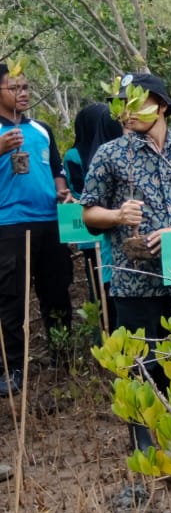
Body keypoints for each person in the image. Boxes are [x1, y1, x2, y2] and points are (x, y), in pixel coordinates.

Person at [80, 73, 171, 450]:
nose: (127, 112)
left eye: (138, 102)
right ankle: (146, 445)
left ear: (162, 107)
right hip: (134, 280)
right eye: (123, 104)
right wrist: (116, 216)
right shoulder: (111, 154)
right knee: (141, 364)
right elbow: (87, 213)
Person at [0, 62, 74, 397]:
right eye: (14, 88)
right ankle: (13, 369)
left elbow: (56, 168)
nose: (23, 93)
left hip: (50, 221)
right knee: (11, 300)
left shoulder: (42, 129)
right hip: (9, 226)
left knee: (57, 291)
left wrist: (62, 191)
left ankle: (63, 357)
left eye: (26, 86)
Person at [65, 103, 123, 323]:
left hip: (114, 228)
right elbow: (78, 189)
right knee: (98, 285)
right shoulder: (76, 155)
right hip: (92, 230)